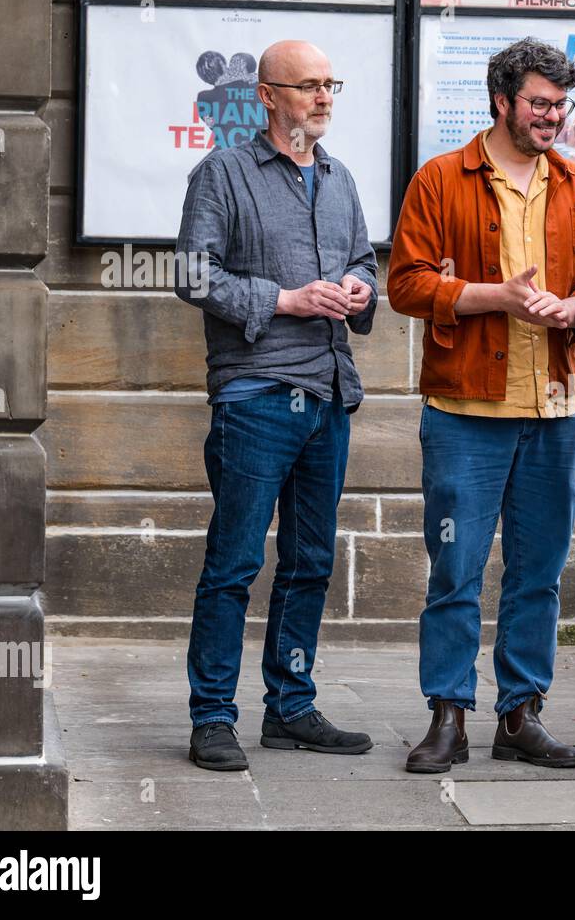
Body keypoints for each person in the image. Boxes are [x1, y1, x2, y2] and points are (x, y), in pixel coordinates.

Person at [387, 38, 575, 773]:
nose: (552, 116)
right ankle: (448, 715)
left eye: (560, 105)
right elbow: (406, 285)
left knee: (539, 571)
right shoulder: (441, 179)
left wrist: (571, 307)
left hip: (556, 409)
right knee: (455, 568)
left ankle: (521, 714)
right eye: (540, 103)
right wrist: (493, 297)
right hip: (464, 410)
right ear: (502, 101)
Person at [175, 40, 378, 771]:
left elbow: (362, 259)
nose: (323, 98)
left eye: (331, 85)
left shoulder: (338, 177)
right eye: (308, 87)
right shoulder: (223, 173)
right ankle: (212, 717)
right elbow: (193, 274)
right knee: (233, 563)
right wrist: (283, 299)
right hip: (256, 395)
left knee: (310, 562)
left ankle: (290, 704)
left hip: (327, 391)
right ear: (267, 96)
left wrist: (360, 289)